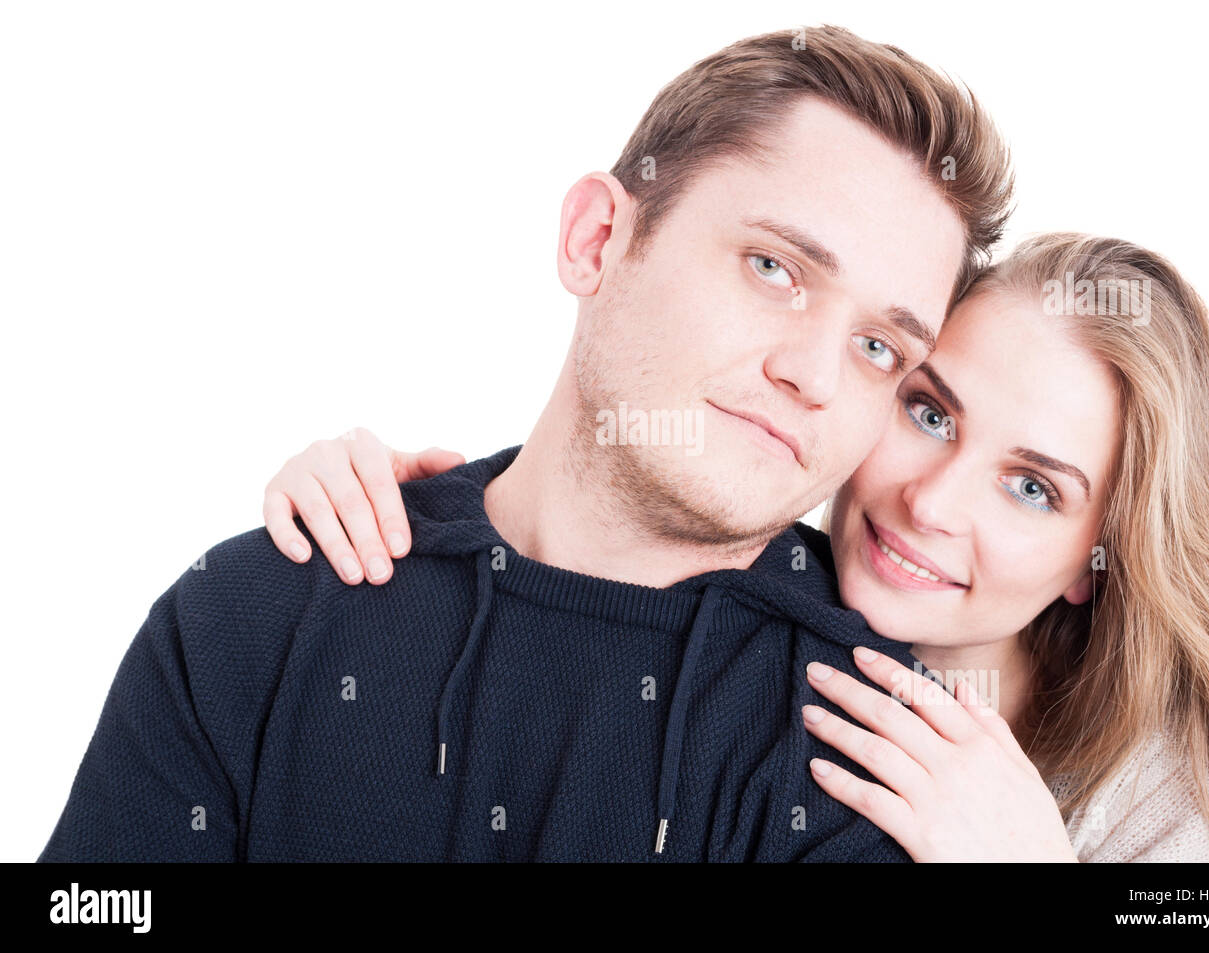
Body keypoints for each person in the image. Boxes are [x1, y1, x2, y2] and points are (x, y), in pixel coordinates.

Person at [38, 26, 1017, 862]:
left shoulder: (877, 751)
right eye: (773, 267)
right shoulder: (261, 606)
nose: (815, 373)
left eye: (878, 346)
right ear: (596, 239)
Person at [268, 234, 1209, 862]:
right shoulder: (760, 600)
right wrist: (412, 500)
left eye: (1031, 488)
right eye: (931, 414)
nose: (929, 500)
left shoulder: (1179, 799)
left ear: (1095, 557)